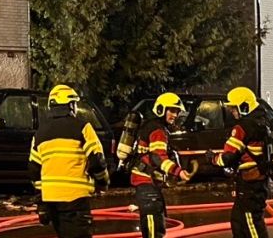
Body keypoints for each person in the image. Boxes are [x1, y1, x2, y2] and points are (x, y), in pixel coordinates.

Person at [29, 85, 110, 238]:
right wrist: (102, 182)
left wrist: (41, 203)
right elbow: (97, 159)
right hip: (75, 200)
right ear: (70, 105)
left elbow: (34, 171)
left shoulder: (39, 134)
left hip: (51, 201)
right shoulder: (82, 127)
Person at [128, 93, 192, 238]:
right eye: (171, 110)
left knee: (157, 220)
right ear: (161, 109)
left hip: (147, 182)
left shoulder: (151, 126)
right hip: (146, 182)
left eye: (176, 111)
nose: (174, 115)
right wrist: (178, 171)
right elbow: (158, 157)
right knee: (154, 226)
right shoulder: (157, 130)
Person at [213, 87, 271, 238]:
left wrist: (211, 159)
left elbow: (228, 157)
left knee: (251, 222)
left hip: (251, 182)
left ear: (244, 106)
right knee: (238, 221)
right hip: (256, 181)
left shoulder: (243, 127)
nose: (233, 112)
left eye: (234, 108)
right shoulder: (262, 121)